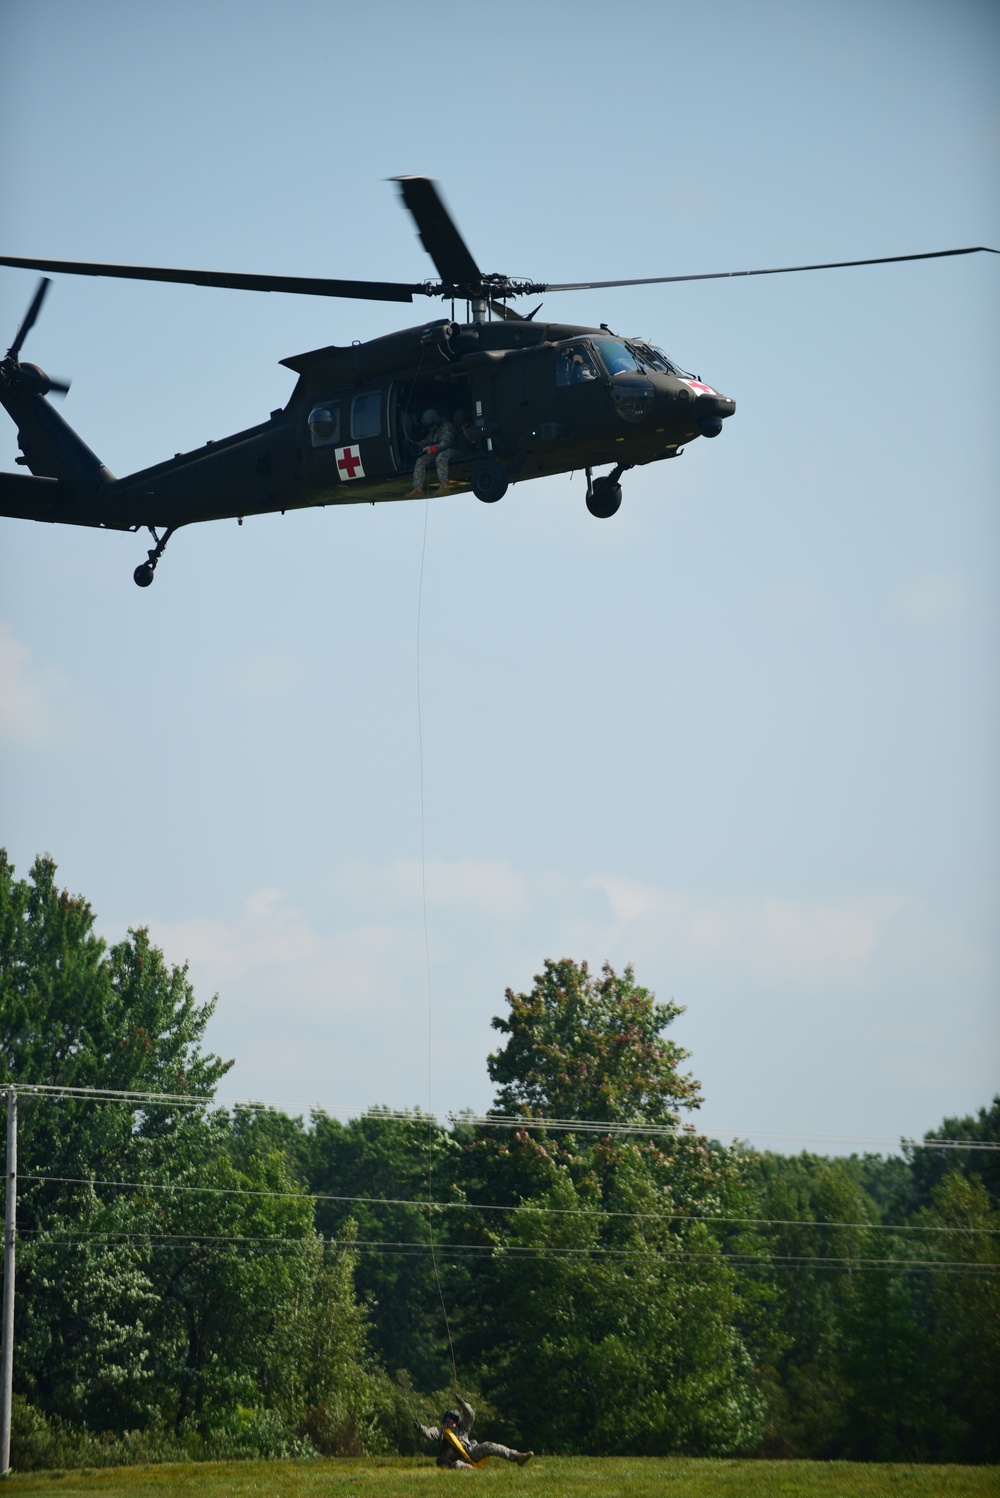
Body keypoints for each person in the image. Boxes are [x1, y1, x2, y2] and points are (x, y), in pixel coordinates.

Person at [414, 1397, 533, 1469]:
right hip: (455, 1461)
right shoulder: (440, 1432)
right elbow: (428, 1433)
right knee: (458, 1465)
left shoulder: (463, 1428)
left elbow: (470, 1415)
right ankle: (470, 1470)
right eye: (450, 1420)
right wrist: (420, 1427)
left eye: (455, 1420)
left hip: (471, 1453)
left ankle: (517, 1457)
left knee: (489, 1445)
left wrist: (463, 1404)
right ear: (445, 1421)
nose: (452, 1422)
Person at [405, 408, 458, 497]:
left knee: (441, 457)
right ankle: (417, 489)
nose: (430, 428)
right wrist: (416, 444)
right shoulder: (434, 429)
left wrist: (432, 448)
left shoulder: (447, 426)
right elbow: (428, 440)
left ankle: (444, 486)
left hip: (454, 450)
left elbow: (446, 443)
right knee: (420, 461)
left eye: (431, 425)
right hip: (438, 451)